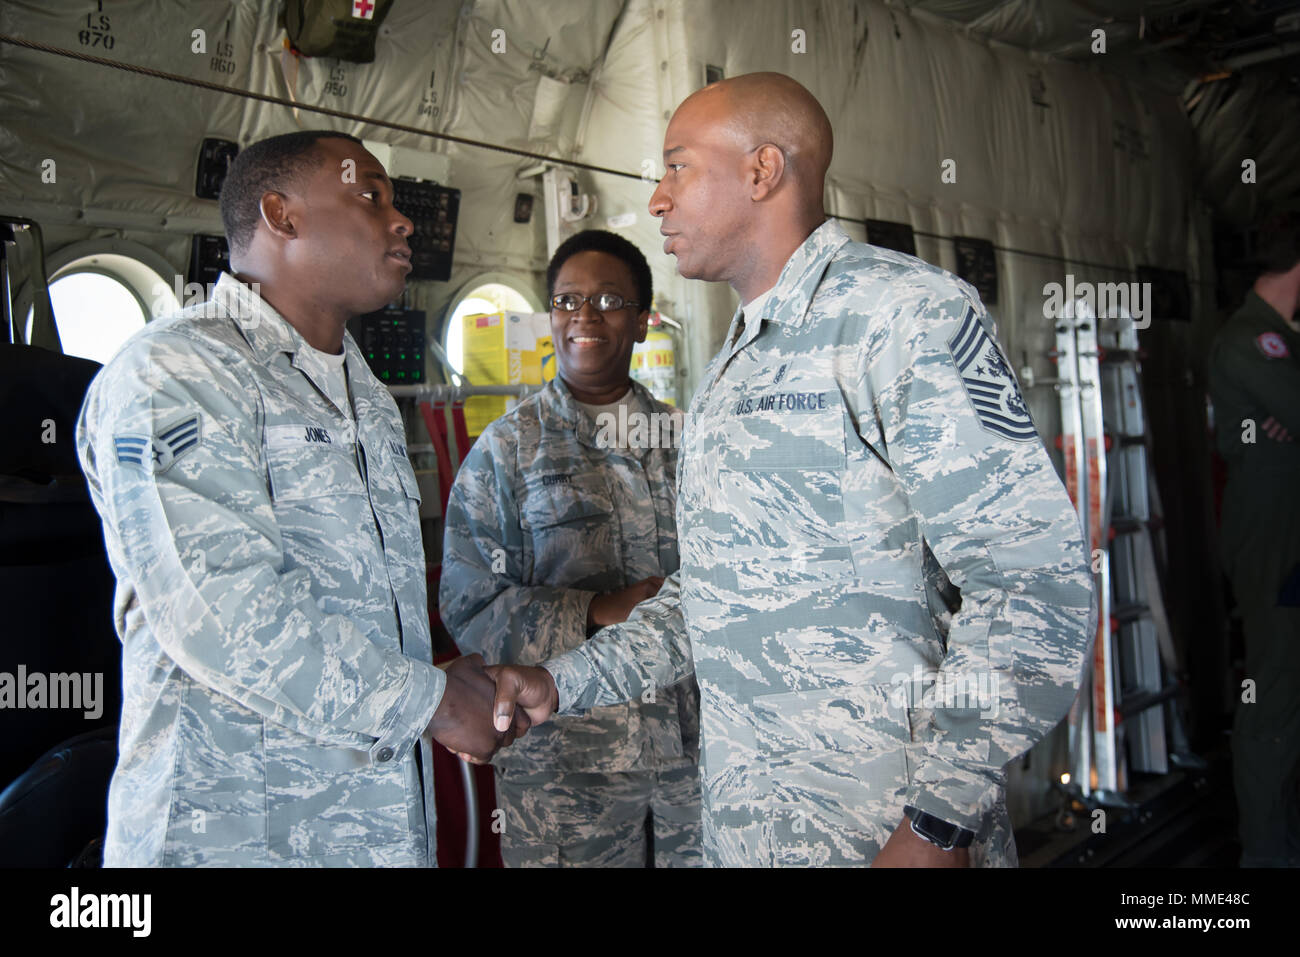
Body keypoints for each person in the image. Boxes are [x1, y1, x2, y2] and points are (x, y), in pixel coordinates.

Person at [487, 72, 1095, 867]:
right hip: (748, 831)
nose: (658, 200)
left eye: (678, 168)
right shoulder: (733, 364)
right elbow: (717, 598)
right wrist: (563, 682)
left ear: (762, 170)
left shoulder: (902, 316)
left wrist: (940, 817)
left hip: (882, 832)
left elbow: (1030, 583)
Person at [75, 130, 522, 867]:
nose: (401, 221)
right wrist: (435, 702)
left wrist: (442, 693)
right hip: (238, 835)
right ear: (281, 215)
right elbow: (222, 610)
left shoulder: (365, 394)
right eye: (370, 196)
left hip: (373, 831)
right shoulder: (177, 372)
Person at [440, 229, 703, 867]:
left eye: (609, 301)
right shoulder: (508, 449)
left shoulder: (690, 440)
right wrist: (592, 611)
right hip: (565, 765)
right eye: (566, 301)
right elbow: (469, 605)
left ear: (642, 321)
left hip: (694, 753)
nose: (584, 316)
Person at [1207, 220, 1300, 867]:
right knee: (1274, 696)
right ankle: (1267, 857)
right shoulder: (1251, 341)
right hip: (1274, 546)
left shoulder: (1281, 343)